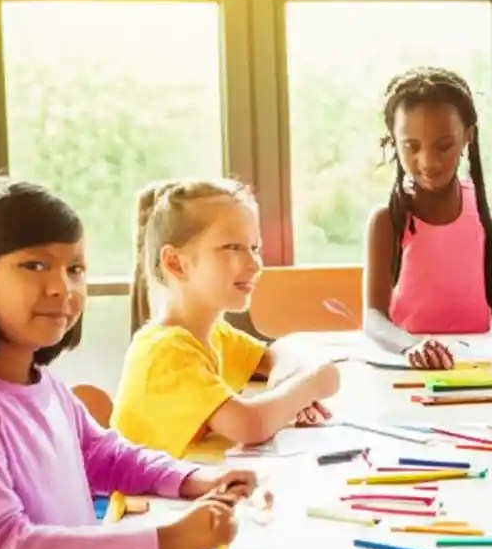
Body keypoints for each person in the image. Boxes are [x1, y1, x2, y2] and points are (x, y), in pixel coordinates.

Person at [0, 176, 254, 549]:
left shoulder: (44, 385)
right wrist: (166, 540)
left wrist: (192, 479)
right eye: (35, 266)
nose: (62, 288)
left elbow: (104, 454)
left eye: (74, 269)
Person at [111, 178, 339, 458]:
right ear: (176, 263)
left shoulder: (213, 333)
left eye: (254, 248)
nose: (255, 264)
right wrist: (312, 383)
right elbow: (250, 424)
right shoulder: (166, 351)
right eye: (232, 247)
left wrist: (286, 384)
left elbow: (280, 351)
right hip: (146, 501)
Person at [362, 66, 492, 369]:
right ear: (393, 139)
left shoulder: (485, 211)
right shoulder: (387, 221)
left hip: (478, 365)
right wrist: (411, 346)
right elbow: (372, 318)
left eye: (443, 146)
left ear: (468, 135)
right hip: (410, 368)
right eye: (411, 147)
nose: (428, 162)